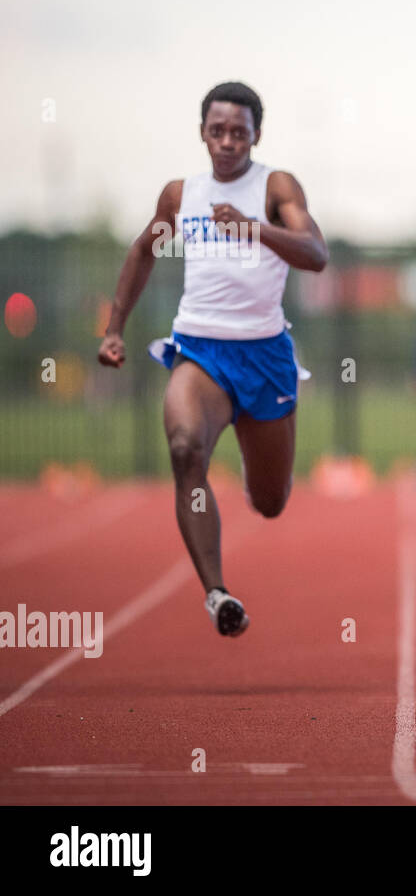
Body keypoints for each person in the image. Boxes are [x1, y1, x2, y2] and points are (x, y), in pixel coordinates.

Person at [97, 82, 328, 637]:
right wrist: (113, 329)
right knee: (184, 448)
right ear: (202, 132)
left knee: (270, 503)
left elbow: (316, 255)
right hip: (199, 348)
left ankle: (255, 459)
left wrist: (251, 226)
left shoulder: (275, 185)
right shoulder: (181, 195)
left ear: (256, 136)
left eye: (239, 133)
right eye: (217, 131)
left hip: (265, 354)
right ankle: (217, 593)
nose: (227, 142)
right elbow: (142, 251)